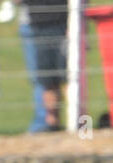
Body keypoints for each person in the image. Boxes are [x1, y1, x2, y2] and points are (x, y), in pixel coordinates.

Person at [18, 0, 67, 132]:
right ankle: (51, 125)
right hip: (38, 25)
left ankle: (81, 125)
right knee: (47, 81)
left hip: (66, 24)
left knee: (71, 80)